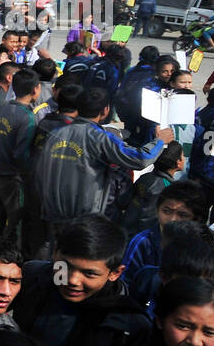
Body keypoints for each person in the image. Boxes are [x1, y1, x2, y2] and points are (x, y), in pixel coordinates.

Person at [9, 215, 151, 346]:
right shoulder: (30, 277)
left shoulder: (126, 325)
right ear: (54, 252)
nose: (73, 280)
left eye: (89, 274)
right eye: (65, 266)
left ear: (115, 273)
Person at [32, 87, 171, 240]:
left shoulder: (56, 134)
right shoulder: (100, 138)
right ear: (105, 111)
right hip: (84, 218)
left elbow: (39, 171)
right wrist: (159, 141)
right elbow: (140, 158)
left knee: (59, 257)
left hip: (53, 213)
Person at [0, 69, 41, 245]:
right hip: (12, 176)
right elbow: (21, 153)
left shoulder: (5, 108)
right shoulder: (28, 117)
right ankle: (7, 253)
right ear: (35, 90)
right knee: (15, 219)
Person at [120, 179, 209, 285]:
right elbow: (125, 283)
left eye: (182, 215)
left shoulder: (201, 247)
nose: (172, 219)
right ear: (157, 210)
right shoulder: (143, 242)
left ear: (196, 219)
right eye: (166, 211)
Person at [115, 143, 186, 235]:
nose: (184, 159)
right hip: (139, 239)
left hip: (124, 231)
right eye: (183, 156)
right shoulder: (167, 190)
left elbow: (124, 201)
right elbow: (149, 221)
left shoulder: (146, 177)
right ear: (178, 162)